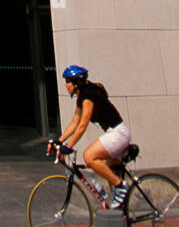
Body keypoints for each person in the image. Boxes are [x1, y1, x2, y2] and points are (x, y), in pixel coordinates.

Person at [54, 64, 131, 208]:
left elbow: (83, 125)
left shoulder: (88, 96)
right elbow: (74, 123)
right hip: (115, 133)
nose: (65, 85)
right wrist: (59, 141)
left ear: (76, 83)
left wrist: (68, 146)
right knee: (108, 170)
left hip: (117, 133)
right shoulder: (82, 97)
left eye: (68, 81)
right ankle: (119, 211)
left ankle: (121, 186)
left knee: (89, 156)